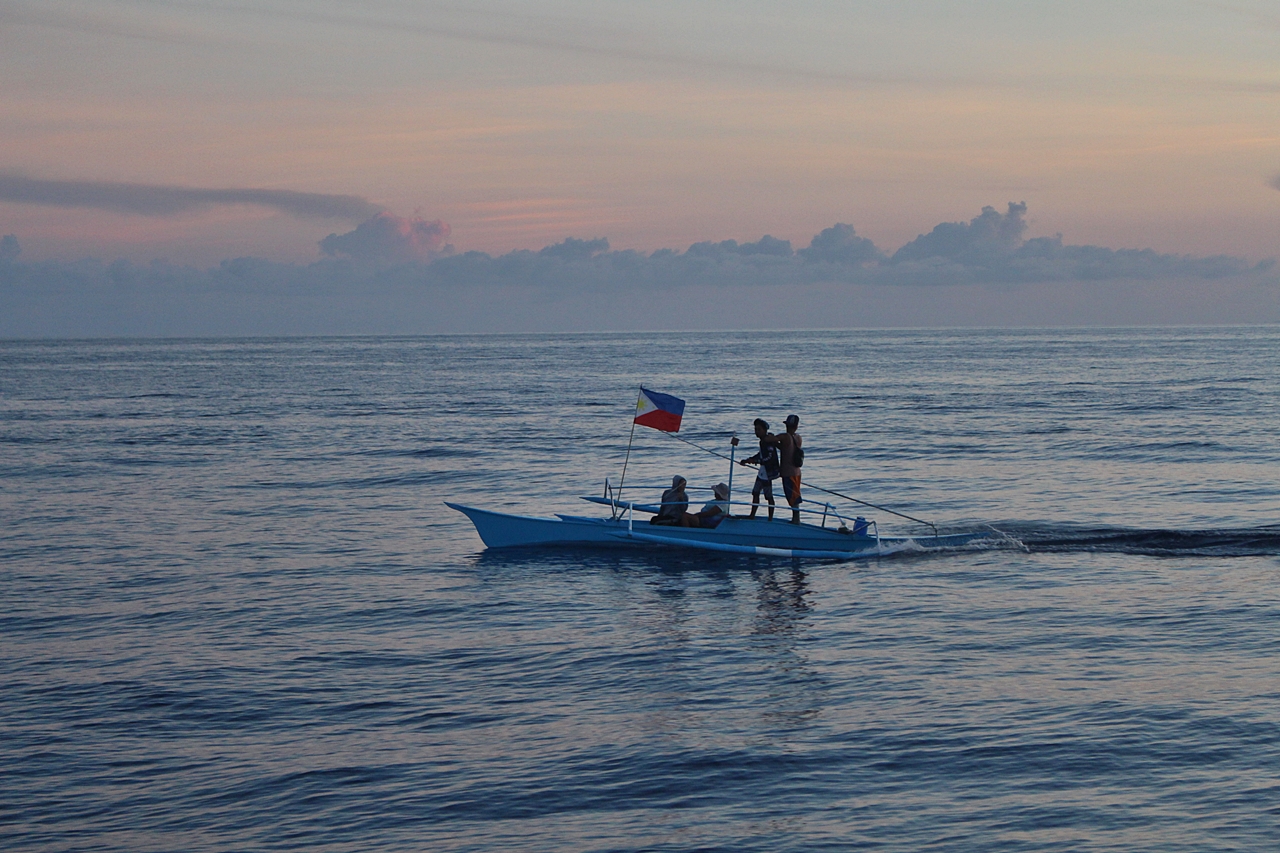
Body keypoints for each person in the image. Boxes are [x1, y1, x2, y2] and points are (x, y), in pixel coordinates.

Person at [740, 418, 781, 520]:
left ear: (764, 430)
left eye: (759, 429)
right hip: (762, 472)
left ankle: (770, 518)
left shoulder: (768, 441)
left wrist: (757, 461)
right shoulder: (762, 442)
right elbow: (761, 454)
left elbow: (769, 457)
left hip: (768, 472)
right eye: (755, 429)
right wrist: (750, 459)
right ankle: (752, 515)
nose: (756, 432)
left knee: (768, 496)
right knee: (755, 492)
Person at [778, 414, 803, 524]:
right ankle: (796, 518)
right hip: (797, 472)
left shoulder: (785, 437)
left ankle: (796, 519)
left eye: (790, 426)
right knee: (795, 495)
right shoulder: (798, 438)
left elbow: (773, 439)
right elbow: (787, 449)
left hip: (789, 473)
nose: (788, 428)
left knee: (792, 496)